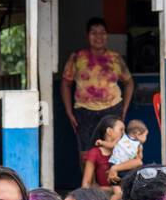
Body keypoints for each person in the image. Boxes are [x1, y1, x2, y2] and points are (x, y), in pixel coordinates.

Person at [62, 17, 134, 152]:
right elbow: (66, 84)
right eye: (94, 33)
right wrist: (69, 111)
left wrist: (124, 108)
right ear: (87, 36)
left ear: (107, 36)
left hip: (112, 110)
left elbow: (129, 83)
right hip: (84, 112)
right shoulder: (77, 57)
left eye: (102, 32)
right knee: (86, 154)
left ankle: (111, 174)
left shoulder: (115, 58)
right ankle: (88, 175)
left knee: (113, 153)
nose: (98, 36)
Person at [80, 115, 122, 189]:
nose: (124, 134)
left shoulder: (125, 151)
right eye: (121, 130)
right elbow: (86, 184)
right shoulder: (95, 153)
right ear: (109, 131)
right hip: (103, 196)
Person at [108, 119, 148, 184]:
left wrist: (102, 143)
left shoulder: (122, 137)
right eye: (145, 135)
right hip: (124, 168)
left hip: (113, 163)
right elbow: (139, 159)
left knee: (117, 187)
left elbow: (112, 145)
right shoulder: (138, 144)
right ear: (138, 134)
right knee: (139, 163)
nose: (146, 138)